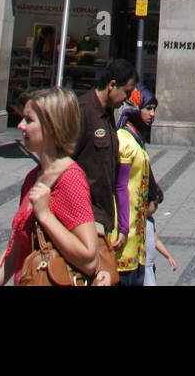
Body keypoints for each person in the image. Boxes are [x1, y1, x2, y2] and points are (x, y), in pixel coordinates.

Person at [0, 86, 98, 286]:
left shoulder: (70, 179)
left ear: (51, 126)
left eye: (29, 120)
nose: (20, 126)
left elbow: (89, 259)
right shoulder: (33, 178)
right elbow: (14, 252)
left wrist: (46, 216)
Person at [73, 58, 137, 260]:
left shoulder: (108, 114)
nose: (127, 98)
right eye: (126, 92)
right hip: (84, 216)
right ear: (112, 86)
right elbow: (64, 163)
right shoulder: (83, 111)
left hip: (103, 215)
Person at [116, 88, 157, 287]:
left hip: (137, 237)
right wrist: (123, 228)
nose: (152, 114)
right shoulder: (124, 140)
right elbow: (121, 187)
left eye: (154, 109)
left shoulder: (137, 139)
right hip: (125, 237)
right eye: (148, 108)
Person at [144, 183, 177, 286]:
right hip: (142, 265)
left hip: (150, 266)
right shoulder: (139, 222)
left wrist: (168, 256)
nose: (156, 208)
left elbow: (156, 241)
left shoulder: (150, 221)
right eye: (155, 204)